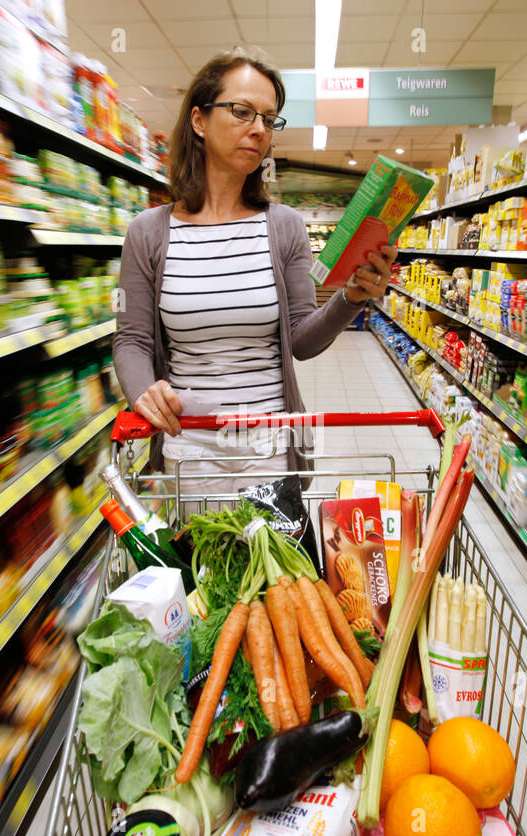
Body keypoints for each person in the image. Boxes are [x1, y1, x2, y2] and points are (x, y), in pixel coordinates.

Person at [113, 49, 396, 502]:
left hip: (270, 447)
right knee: (200, 572)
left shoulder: (283, 226)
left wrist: (352, 297)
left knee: (275, 574)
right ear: (199, 121)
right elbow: (131, 340)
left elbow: (301, 341)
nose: (259, 128)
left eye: (269, 118)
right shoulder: (148, 233)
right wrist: (143, 392)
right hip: (188, 449)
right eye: (242, 112)